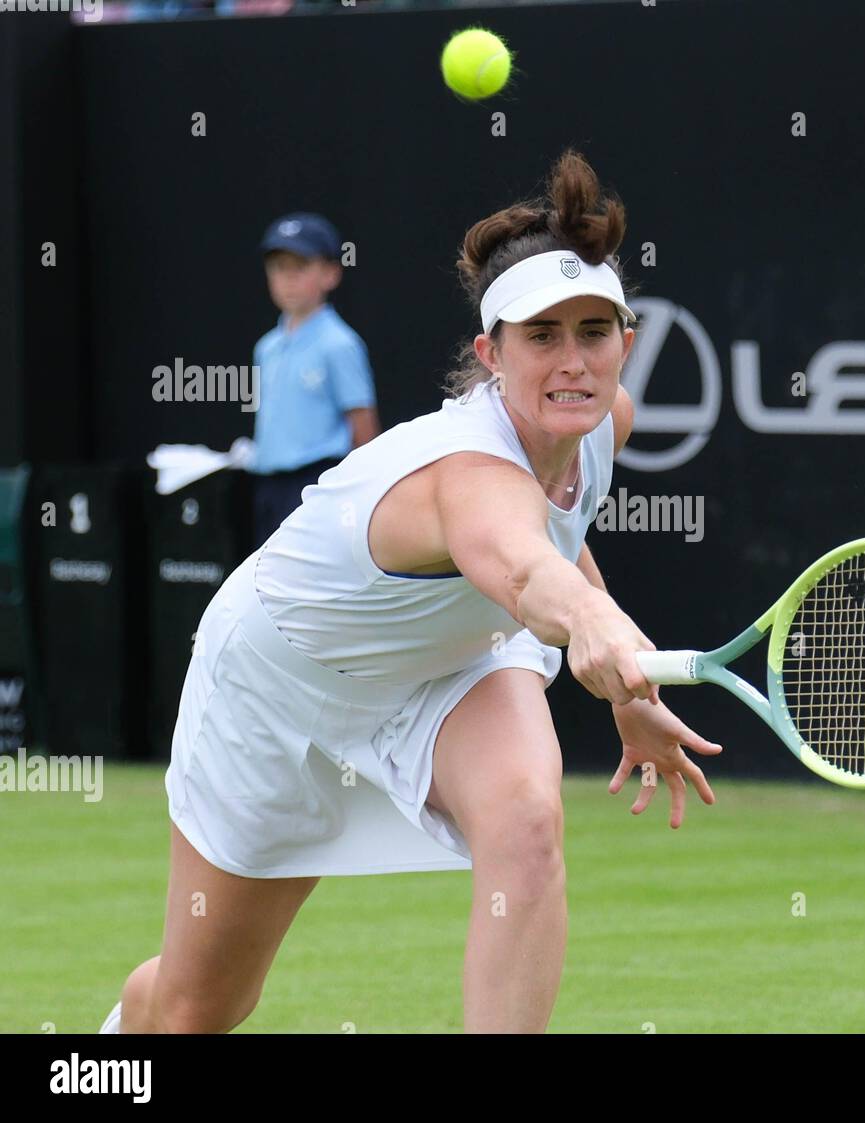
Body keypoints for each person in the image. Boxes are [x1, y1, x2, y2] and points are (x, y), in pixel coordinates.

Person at [99, 150, 722, 1035]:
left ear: (627, 340)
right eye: (541, 335)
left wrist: (631, 690)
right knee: (198, 1008)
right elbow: (521, 567)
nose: (573, 360)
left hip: (446, 665)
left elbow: (561, 541)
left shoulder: (600, 422)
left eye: (595, 331)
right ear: (490, 354)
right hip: (277, 684)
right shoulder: (462, 478)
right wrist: (590, 623)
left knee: (528, 820)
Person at [250, 211, 381, 545]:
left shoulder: (339, 344)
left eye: (300, 267)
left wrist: (359, 496)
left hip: (315, 486)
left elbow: (363, 427)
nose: (288, 279)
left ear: (331, 274)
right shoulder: (266, 347)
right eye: (279, 268)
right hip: (268, 487)